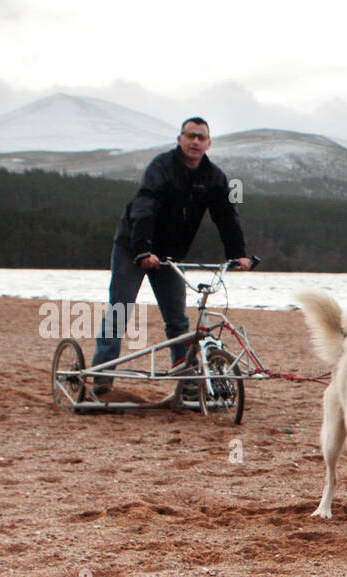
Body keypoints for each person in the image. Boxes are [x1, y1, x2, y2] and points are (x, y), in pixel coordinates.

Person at [93, 116, 251, 396]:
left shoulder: (214, 177)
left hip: (170, 256)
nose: (195, 142)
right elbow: (144, 206)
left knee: (178, 319)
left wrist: (238, 255)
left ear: (209, 144)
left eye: (201, 138)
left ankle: (187, 380)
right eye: (190, 136)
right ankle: (101, 378)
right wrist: (143, 248)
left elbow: (227, 216)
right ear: (180, 139)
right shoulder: (161, 167)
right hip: (134, 247)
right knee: (120, 309)